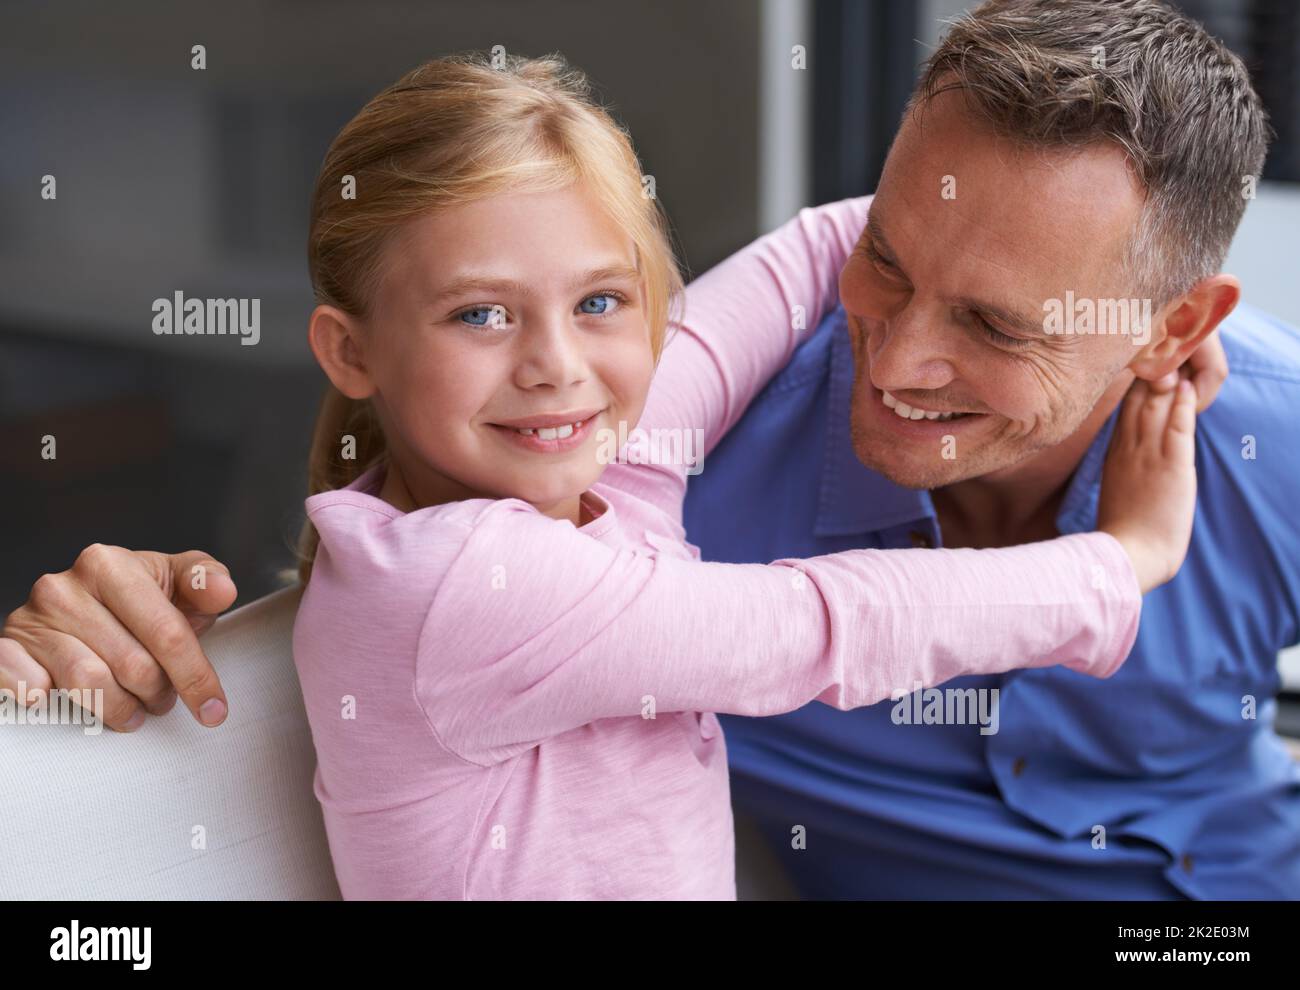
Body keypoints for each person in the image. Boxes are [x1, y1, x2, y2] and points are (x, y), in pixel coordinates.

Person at [7, 0, 1294, 898]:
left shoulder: (1265, 438)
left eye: (995, 319)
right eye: (888, 257)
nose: (892, 362)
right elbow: (812, 627)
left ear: (1172, 327)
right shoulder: (626, 484)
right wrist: (1121, 566)